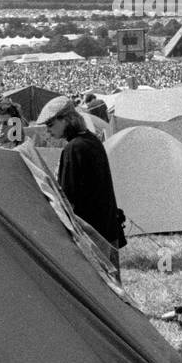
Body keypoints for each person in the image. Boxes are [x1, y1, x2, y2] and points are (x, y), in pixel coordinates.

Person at [36, 95, 127, 256]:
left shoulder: (74, 148)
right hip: (107, 229)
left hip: (92, 235)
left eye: (51, 124)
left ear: (66, 120)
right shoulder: (91, 140)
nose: (48, 130)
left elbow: (67, 198)